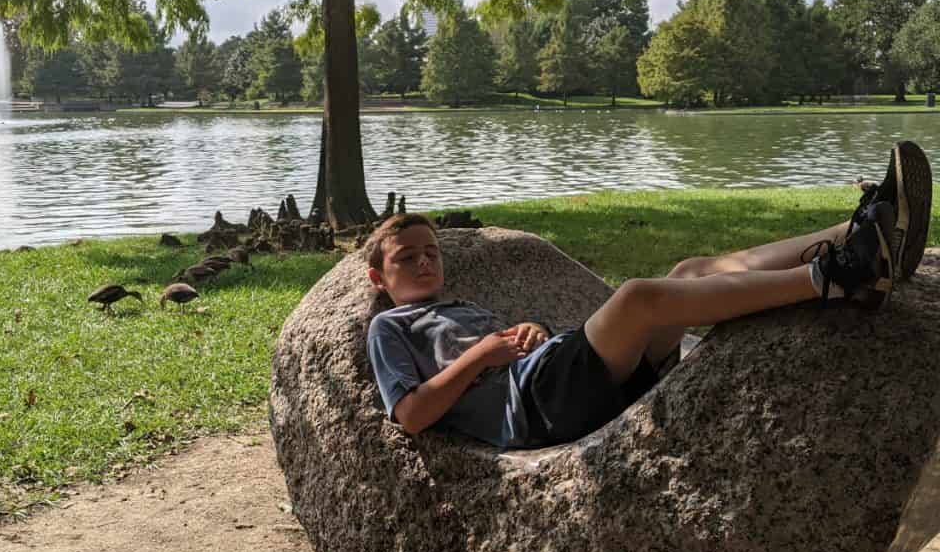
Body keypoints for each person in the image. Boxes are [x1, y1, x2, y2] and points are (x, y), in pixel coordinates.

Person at [365, 142, 933, 450]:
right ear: (377, 278)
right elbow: (411, 415)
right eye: (406, 257)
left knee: (689, 269)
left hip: (559, 380)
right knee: (638, 298)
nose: (423, 261)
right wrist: (481, 356)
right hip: (539, 408)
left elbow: (501, 356)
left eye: (431, 252)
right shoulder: (388, 328)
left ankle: (850, 234)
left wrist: (526, 333)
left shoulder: (456, 309)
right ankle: (836, 278)